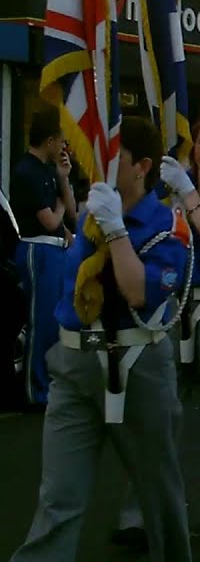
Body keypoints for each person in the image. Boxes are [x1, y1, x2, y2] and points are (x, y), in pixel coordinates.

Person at [11, 116, 193, 562]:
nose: (103, 166)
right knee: (58, 499)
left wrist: (116, 230)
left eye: (117, 158)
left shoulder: (166, 225)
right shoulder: (93, 215)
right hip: (74, 365)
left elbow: (139, 292)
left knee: (158, 495)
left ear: (142, 167)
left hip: (135, 365)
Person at [116, 115, 200, 542]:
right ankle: (142, 513)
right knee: (157, 414)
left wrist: (188, 194)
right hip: (175, 308)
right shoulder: (175, 186)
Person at [11, 106, 76, 407]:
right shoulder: (27, 171)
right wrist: (60, 207)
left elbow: (71, 211)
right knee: (40, 320)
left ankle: (48, 384)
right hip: (37, 249)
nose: (63, 146)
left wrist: (63, 179)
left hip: (56, 249)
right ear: (49, 140)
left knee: (53, 320)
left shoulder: (49, 171)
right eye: (60, 140)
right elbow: (50, 220)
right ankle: (34, 390)